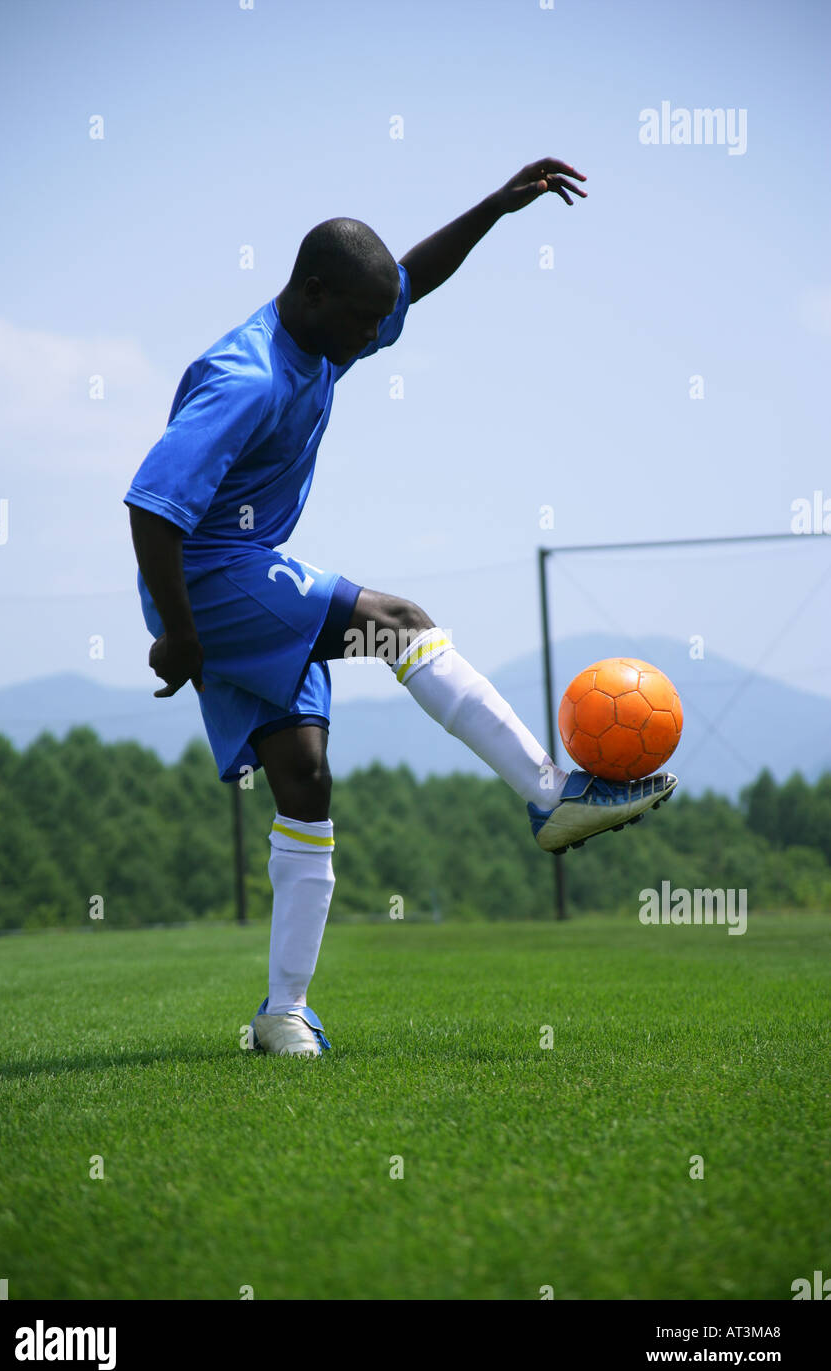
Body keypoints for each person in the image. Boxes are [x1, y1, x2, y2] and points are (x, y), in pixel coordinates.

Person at [124, 157, 676, 1058]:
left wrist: (496, 208)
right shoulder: (249, 375)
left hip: (239, 573)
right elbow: (152, 501)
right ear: (311, 295)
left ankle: (281, 1016)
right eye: (365, 320)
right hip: (212, 576)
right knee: (400, 623)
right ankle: (550, 795)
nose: (380, 334)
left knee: (304, 778)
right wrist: (181, 632)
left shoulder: (330, 329)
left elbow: (413, 277)